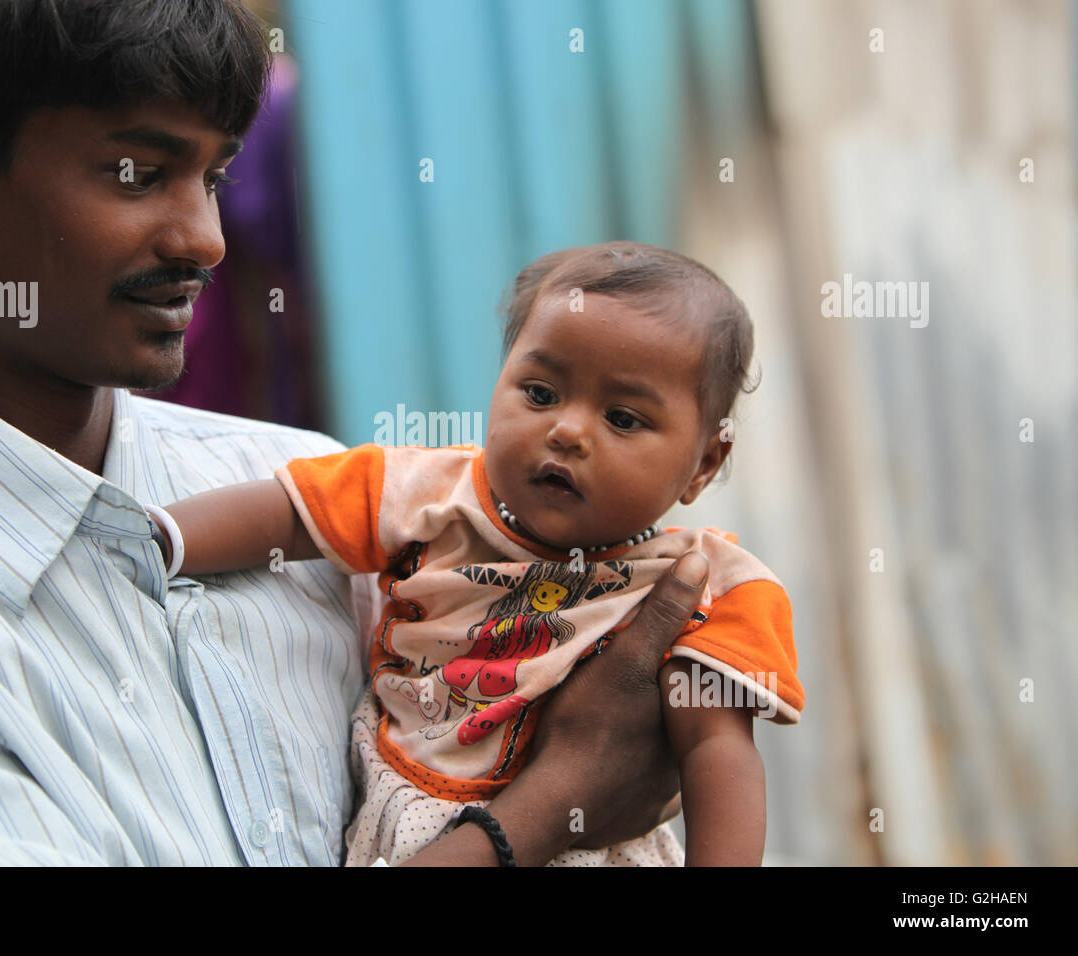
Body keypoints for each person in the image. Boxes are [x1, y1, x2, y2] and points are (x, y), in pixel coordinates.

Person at [0, 0, 705, 866]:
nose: (207, 237)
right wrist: (553, 806)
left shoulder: (309, 504)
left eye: (213, 176)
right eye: (138, 173)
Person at [156, 243, 804, 866]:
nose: (567, 430)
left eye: (624, 418)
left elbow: (719, 753)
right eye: (541, 393)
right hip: (401, 817)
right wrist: (158, 540)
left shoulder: (714, 588)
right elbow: (286, 513)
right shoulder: (427, 492)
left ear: (704, 463)